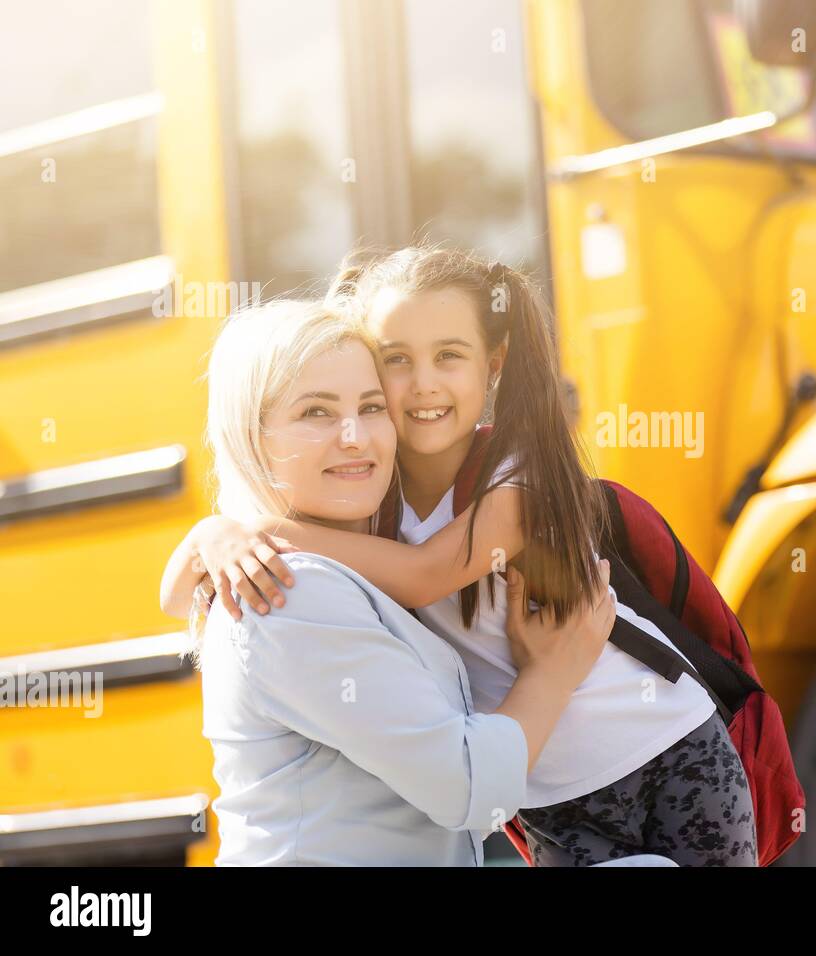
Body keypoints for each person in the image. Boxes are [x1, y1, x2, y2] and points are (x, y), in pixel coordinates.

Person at [162, 245, 758, 866]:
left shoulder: (514, 482)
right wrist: (215, 535)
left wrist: (263, 526)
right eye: (396, 361)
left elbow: (424, 578)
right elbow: (177, 599)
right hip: (549, 794)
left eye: (449, 355)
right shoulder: (371, 496)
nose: (422, 384)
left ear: (493, 364)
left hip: (663, 751)